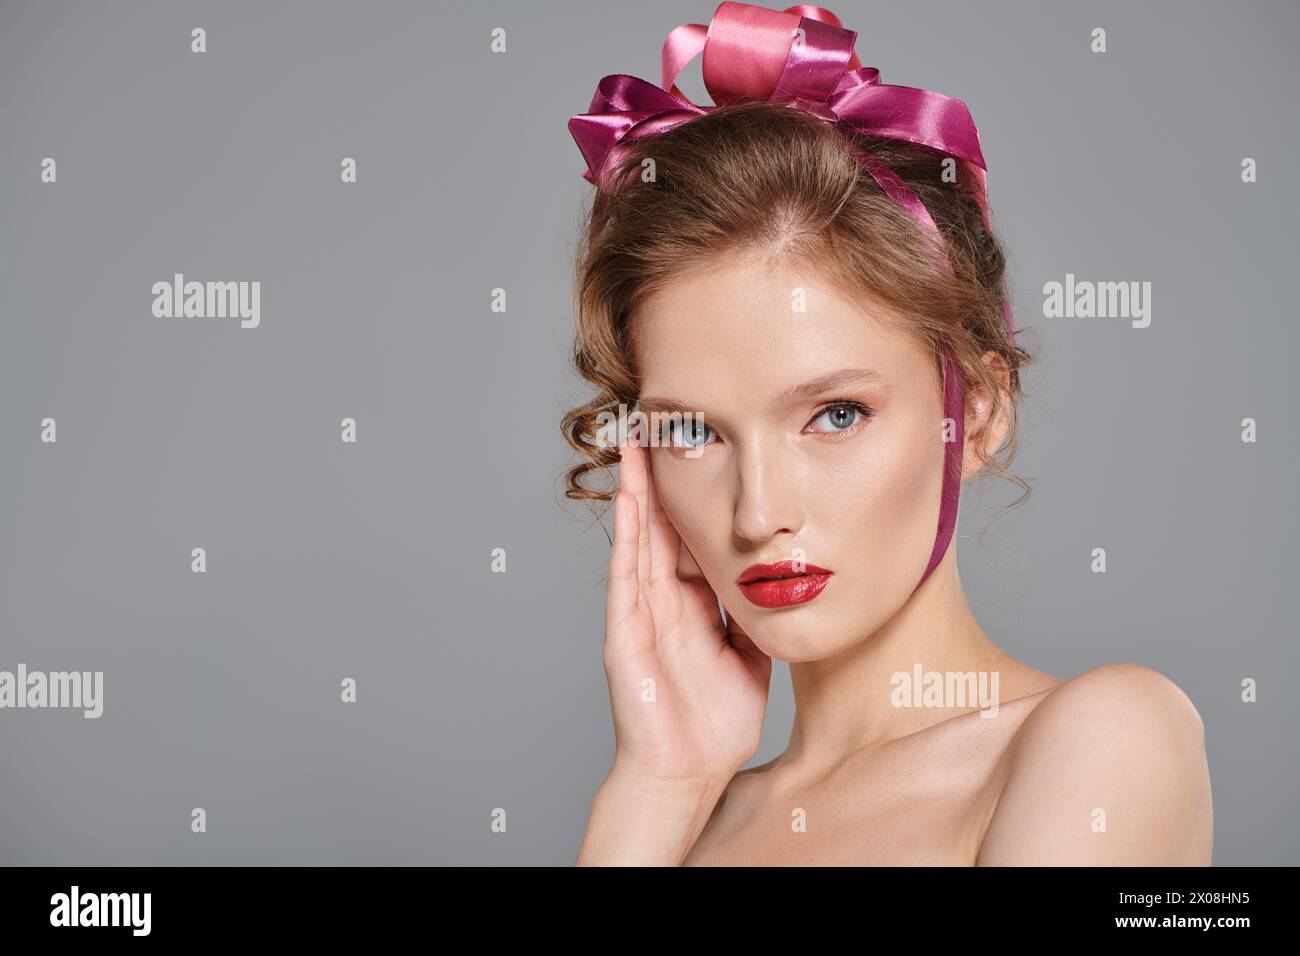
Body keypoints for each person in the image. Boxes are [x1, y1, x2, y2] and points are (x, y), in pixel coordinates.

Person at [561, 1, 1212, 866]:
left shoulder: (1102, 740)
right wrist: (657, 787)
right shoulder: (686, 821)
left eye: (836, 415)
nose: (759, 514)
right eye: (695, 432)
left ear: (975, 410)